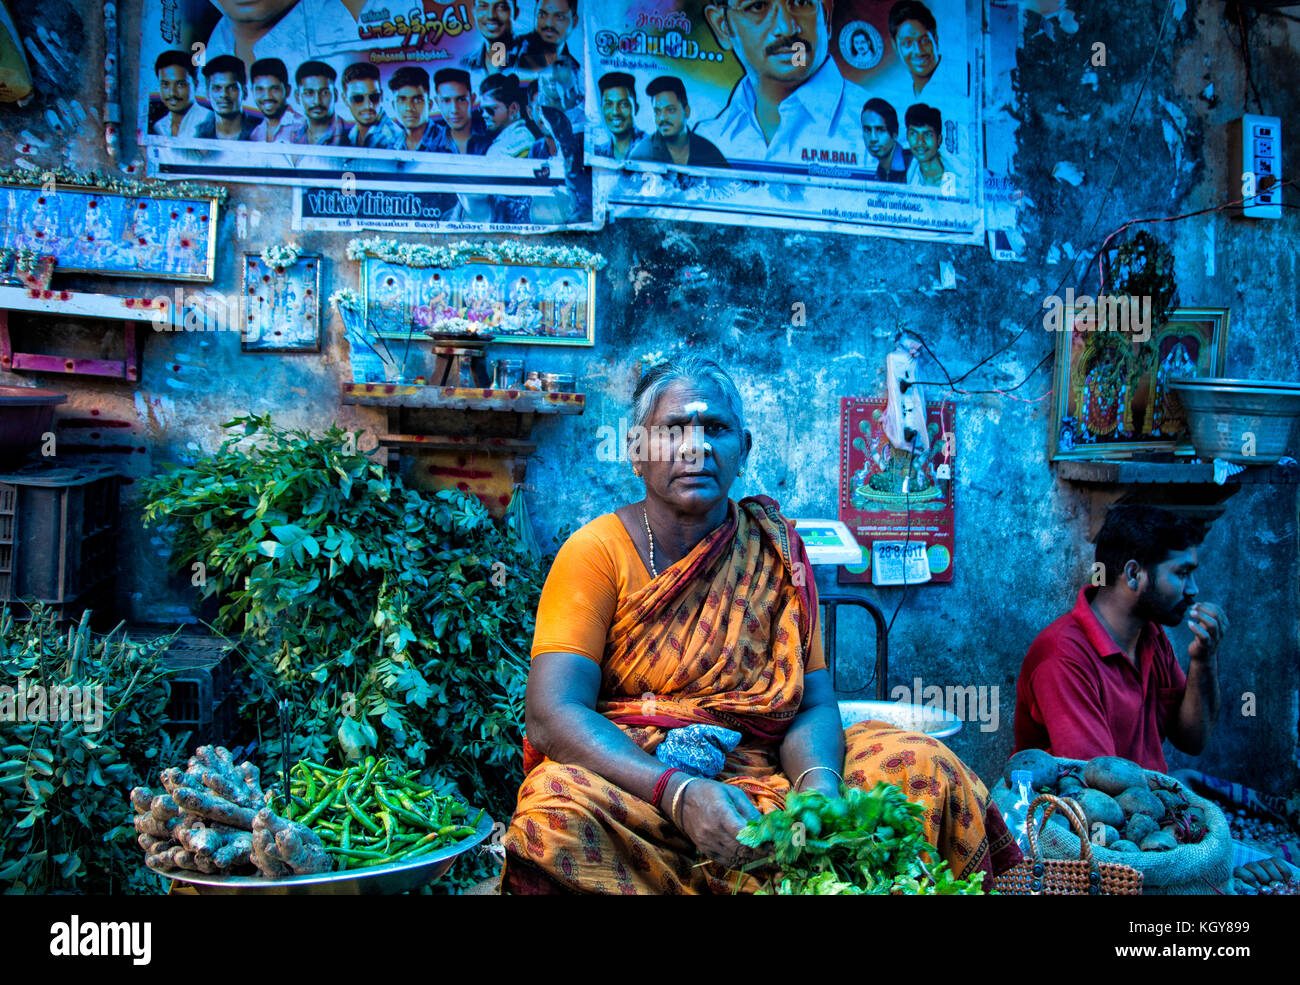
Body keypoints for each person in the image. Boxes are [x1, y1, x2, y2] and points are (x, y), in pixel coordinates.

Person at [502, 356, 1022, 894]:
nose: (695, 447)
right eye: (673, 430)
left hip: (767, 778)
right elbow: (551, 714)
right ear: (636, 451)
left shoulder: (775, 552)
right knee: (554, 814)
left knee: (925, 766)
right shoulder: (595, 553)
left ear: (744, 449)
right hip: (641, 784)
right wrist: (677, 794)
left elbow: (812, 704)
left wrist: (818, 797)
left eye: (715, 428)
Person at [1014, 505, 1227, 773]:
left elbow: (1193, 740)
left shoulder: (1153, 636)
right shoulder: (1063, 657)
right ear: (1133, 574)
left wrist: (1203, 659)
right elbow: (1099, 780)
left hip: (1139, 795)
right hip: (1085, 799)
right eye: (1182, 574)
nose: (1193, 589)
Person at [697, 0, 867, 164]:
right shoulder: (708, 141)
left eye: (801, 2)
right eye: (758, 6)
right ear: (723, 27)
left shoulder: (872, 131)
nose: (786, 29)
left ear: (826, 15)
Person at [514, 0, 584, 132]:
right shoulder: (510, 53)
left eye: (559, 17)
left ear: (574, 21)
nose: (548, 23)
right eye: (542, 14)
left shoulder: (578, 75)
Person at [630, 76, 729, 168]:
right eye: (657, 111)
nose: (662, 118)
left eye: (670, 110)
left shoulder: (710, 153)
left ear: (687, 111)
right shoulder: (641, 156)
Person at [886, 1, 961, 104]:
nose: (918, 51)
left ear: (936, 40)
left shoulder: (959, 82)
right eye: (907, 43)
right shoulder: (898, 92)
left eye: (924, 41)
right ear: (895, 46)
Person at [423, 68, 491, 155]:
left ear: (472, 99)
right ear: (437, 102)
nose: (454, 110)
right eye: (446, 101)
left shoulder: (492, 136)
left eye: (461, 99)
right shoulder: (430, 147)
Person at [340, 62, 404, 148]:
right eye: (358, 98)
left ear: (381, 96)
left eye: (374, 97)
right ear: (345, 99)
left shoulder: (393, 139)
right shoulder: (352, 134)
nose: (368, 105)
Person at [151, 51, 213, 138]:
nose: (172, 93)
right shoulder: (159, 126)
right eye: (165, 84)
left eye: (180, 84)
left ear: (195, 84)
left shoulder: (210, 121)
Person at [194, 55, 257, 140]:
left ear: (245, 92)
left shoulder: (259, 133)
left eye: (231, 88)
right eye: (217, 88)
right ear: (207, 94)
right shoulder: (196, 134)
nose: (224, 94)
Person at [287, 60, 349, 145]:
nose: (317, 101)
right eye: (309, 93)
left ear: (335, 95)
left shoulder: (352, 135)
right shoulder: (293, 136)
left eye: (324, 93)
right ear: (297, 97)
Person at [593, 72, 645, 161]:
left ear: (636, 108)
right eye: (608, 104)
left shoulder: (651, 148)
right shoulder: (598, 153)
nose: (615, 112)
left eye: (623, 104)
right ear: (601, 109)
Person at [248, 58, 303, 142]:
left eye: (274, 89)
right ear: (252, 92)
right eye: (260, 89)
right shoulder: (255, 134)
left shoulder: (302, 127)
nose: (267, 96)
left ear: (287, 90)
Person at [903, 102, 956, 188]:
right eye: (914, 133)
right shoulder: (905, 171)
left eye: (927, 134)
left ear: (939, 140)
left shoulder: (958, 174)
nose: (920, 142)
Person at [386, 66, 438, 151]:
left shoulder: (446, 140)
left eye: (417, 100)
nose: (409, 108)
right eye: (402, 100)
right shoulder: (390, 145)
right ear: (394, 106)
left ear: (429, 105)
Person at [860, 97, 910, 182]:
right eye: (867, 130)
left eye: (880, 130)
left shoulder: (914, 165)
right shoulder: (880, 170)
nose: (873, 138)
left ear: (895, 133)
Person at [463, 0, 520, 71]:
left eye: (501, 7)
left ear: (516, 13)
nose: (491, 16)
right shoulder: (466, 63)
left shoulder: (527, 57)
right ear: (474, 11)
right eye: (483, 6)